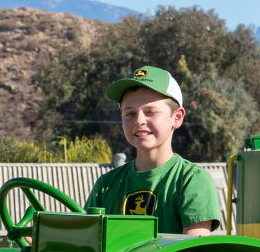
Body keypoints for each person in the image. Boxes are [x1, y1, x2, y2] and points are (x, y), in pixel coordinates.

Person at [84, 66, 220, 235]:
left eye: (150, 112)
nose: (139, 120)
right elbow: (88, 244)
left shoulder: (191, 180)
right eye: (130, 113)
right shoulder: (106, 185)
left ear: (177, 117)